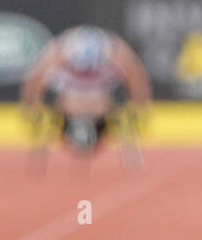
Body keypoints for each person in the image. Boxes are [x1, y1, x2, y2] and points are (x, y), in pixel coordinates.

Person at [21, 25, 152, 156]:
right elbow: (35, 78)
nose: (85, 107)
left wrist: (139, 107)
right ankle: (77, 127)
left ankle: (91, 128)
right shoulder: (59, 54)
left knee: (91, 101)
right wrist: (32, 108)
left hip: (97, 84)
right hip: (75, 83)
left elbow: (136, 75)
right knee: (79, 100)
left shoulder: (116, 55)